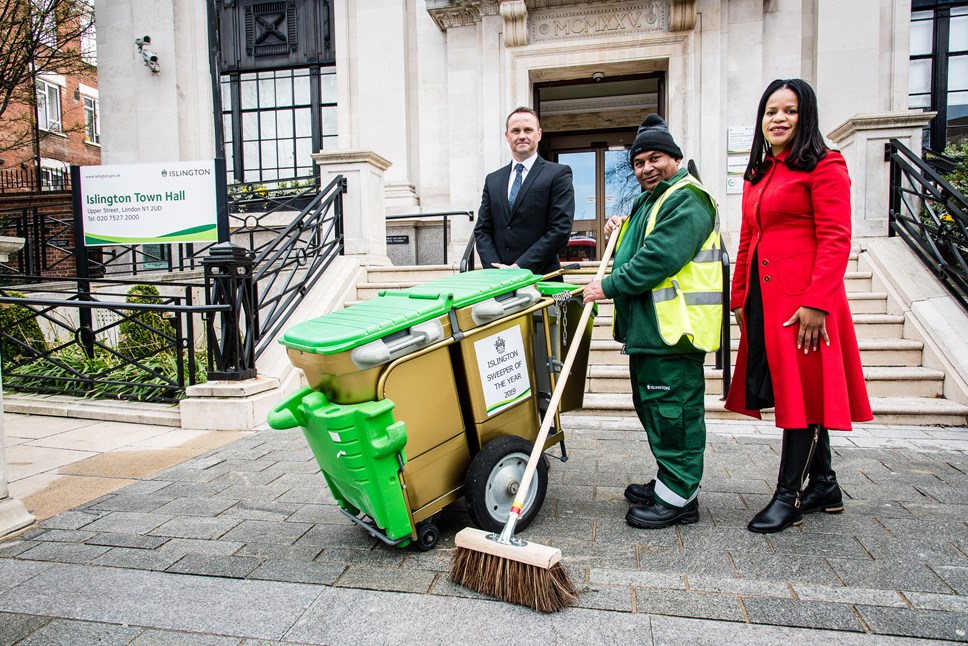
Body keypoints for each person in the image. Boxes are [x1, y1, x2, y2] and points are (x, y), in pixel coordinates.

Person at [724, 79, 873, 534]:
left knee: (804, 398)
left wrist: (817, 303)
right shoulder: (760, 173)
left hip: (806, 305)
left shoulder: (825, 165)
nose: (779, 119)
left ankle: (787, 496)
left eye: (789, 110)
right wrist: (739, 296)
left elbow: (836, 239)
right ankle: (824, 483)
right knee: (801, 392)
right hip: (767, 301)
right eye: (771, 111)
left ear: (805, 115)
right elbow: (749, 238)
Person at [583, 114, 722, 529]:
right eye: (639, 162)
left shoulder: (688, 198)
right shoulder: (650, 200)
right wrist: (618, 230)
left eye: (655, 158)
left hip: (674, 331)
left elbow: (658, 257)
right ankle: (669, 481)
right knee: (654, 410)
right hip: (649, 331)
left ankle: (681, 498)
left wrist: (607, 286)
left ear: (675, 158)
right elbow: (637, 243)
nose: (646, 168)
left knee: (673, 412)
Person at [474, 107, 575, 275]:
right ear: (507, 136)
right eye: (515, 131)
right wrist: (496, 270)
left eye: (528, 130)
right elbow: (482, 230)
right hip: (499, 282)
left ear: (539, 134)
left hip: (541, 278)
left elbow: (560, 229)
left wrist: (519, 268)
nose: (522, 136)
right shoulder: (493, 180)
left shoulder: (558, 174)